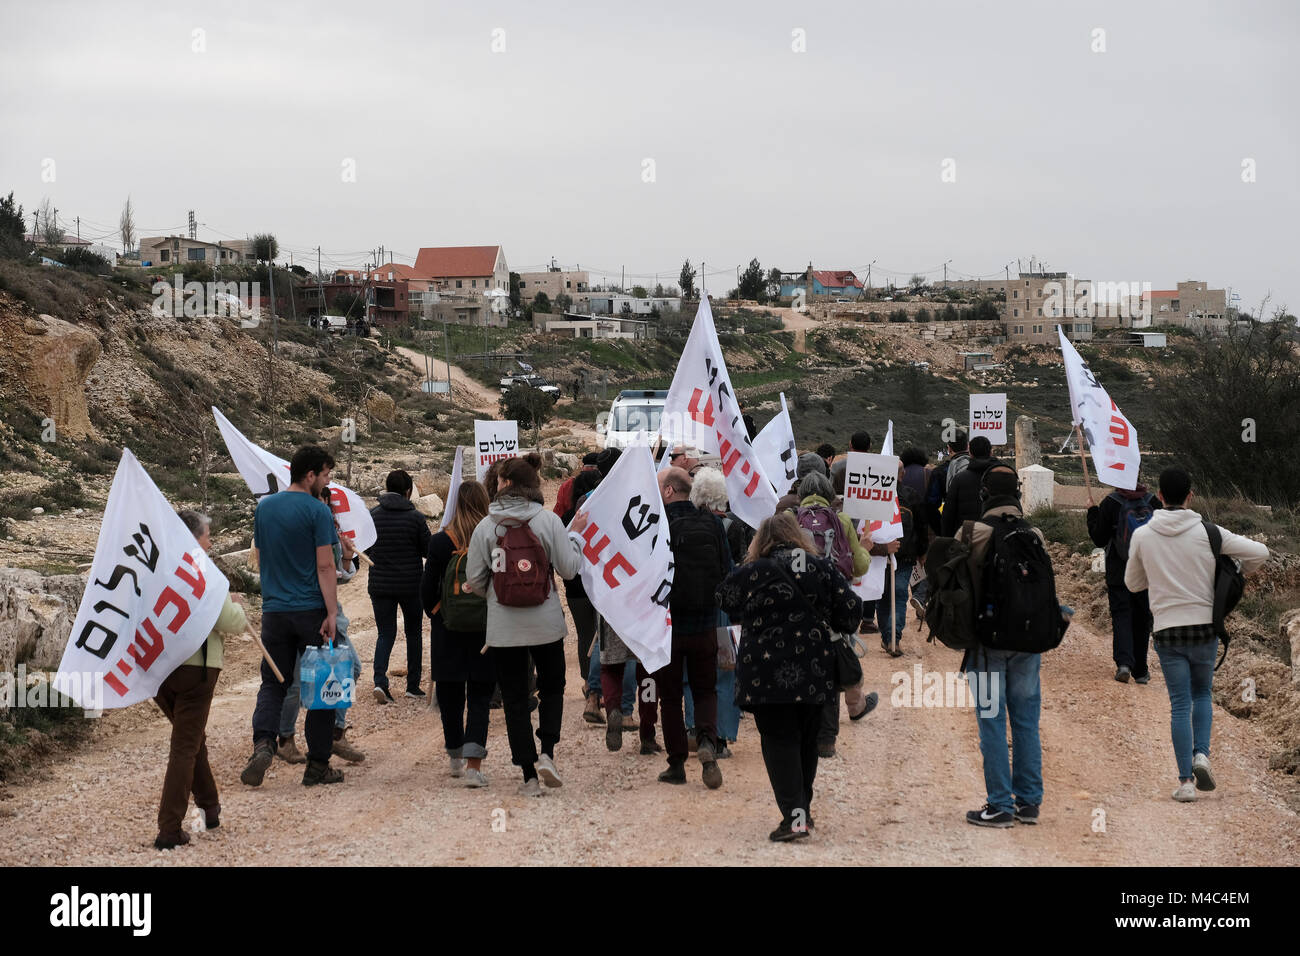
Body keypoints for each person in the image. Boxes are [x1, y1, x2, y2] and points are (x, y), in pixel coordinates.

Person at [1124, 467, 1269, 803]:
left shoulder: (1143, 536)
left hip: (1167, 631)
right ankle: (1201, 754)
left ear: (1159, 496)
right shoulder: (1208, 532)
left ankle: (1186, 782)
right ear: (1190, 496)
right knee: (1202, 693)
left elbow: (1133, 584)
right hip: (1205, 627)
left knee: (1179, 704)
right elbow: (1260, 553)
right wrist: (1235, 570)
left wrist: (1159, 577)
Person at [717, 512, 863, 841]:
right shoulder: (821, 568)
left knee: (779, 741)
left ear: (761, 540)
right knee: (807, 742)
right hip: (814, 670)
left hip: (765, 674)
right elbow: (852, 613)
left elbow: (724, 599)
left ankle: (795, 817)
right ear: (797, 536)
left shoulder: (752, 571)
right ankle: (802, 812)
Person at [465, 454, 585, 796]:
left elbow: (474, 578)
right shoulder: (548, 522)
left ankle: (529, 775)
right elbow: (569, 570)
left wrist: (498, 594)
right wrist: (574, 543)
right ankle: (548, 751)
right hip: (546, 622)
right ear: (531, 484)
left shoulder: (485, 527)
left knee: (516, 698)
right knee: (551, 687)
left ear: (504, 485)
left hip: (503, 628)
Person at [241, 445, 345, 787]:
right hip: (311, 612)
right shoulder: (317, 511)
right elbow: (326, 565)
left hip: (274, 612)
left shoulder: (265, 508)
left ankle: (264, 745)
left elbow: (263, 554)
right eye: (326, 475)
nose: (327, 481)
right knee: (322, 685)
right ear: (311, 475)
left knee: (273, 683)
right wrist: (331, 612)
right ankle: (317, 766)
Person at [961, 466, 1052, 827]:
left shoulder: (972, 533)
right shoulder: (1036, 534)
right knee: (1027, 722)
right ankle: (1028, 802)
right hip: (1029, 641)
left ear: (984, 495)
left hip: (987, 642)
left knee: (992, 723)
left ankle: (999, 805)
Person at [153, 509, 246, 849]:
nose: (210, 541)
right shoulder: (202, 571)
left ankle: (210, 807)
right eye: (207, 535)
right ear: (193, 538)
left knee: (191, 739)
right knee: (185, 746)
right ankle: (169, 829)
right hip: (198, 669)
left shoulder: (155, 569)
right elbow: (229, 621)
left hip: (160, 671)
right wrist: (238, 605)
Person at [276, 485, 365, 765]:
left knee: (349, 667)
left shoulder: (330, 532)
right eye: (319, 501)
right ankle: (286, 738)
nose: (323, 508)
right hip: (302, 614)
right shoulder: (292, 532)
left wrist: (348, 557)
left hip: (330, 615)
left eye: (326, 503)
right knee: (295, 681)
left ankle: (335, 733)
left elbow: (341, 574)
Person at [652, 467, 729, 789]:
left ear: (669, 491)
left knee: (670, 697)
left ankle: (676, 764)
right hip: (705, 624)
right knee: (705, 689)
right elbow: (727, 569)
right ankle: (708, 742)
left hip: (668, 626)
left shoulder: (658, 524)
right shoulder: (712, 522)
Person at [795, 472, 877, 758]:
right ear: (830, 492)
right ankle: (826, 739)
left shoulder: (790, 519)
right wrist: (865, 548)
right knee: (830, 666)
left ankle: (801, 730)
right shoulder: (841, 520)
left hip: (799, 603)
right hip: (834, 602)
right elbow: (858, 567)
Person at [422, 479, 496, 788]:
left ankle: (454, 754)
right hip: (485, 630)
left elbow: (426, 591)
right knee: (479, 696)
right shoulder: (493, 537)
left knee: (450, 695)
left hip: (447, 632)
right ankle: (473, 767)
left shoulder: (441, 542)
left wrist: (440, 614)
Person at [686, 468, 741, 757]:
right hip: (721, 611)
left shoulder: (683, 523)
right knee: (725, 674)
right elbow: (733, 571)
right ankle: (720, 738)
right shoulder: (730, 527)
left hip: (689, 610)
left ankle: (694, 730)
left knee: (691, 673)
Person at [366, 469, 433, 703]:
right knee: (413, 633)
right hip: (411, 585)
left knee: (385, 633)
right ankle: (412, 686)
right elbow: (428, 551)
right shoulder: (415, 518)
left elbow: (365, 549)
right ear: (408, 491)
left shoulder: (373, 515)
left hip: (380, 585)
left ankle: (379, 682)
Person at [1087, 481, 1160, 683]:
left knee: (1121, 614)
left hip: (1119, 569)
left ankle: (1124, 664)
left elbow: (1099, 539)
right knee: (1143, 617)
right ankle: (1141, 671)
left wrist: (1092, 511)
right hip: (1146, 570)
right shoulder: (1152, 501)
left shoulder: (1110, 502)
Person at [941, 435, 1001, 537]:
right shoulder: (1003, 477)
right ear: (991, 452)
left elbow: (948, 515)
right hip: (996, 537)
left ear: (970, 453)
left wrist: (949, 541)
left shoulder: (959, 479)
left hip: (966, 537)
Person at [926, 429, 969, 535]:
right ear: (967, 446)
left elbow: (930, 505)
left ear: (949, 448)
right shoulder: (980, 468)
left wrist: (941, 529)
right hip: (979, 529)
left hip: (952, 528)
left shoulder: (940, 472)